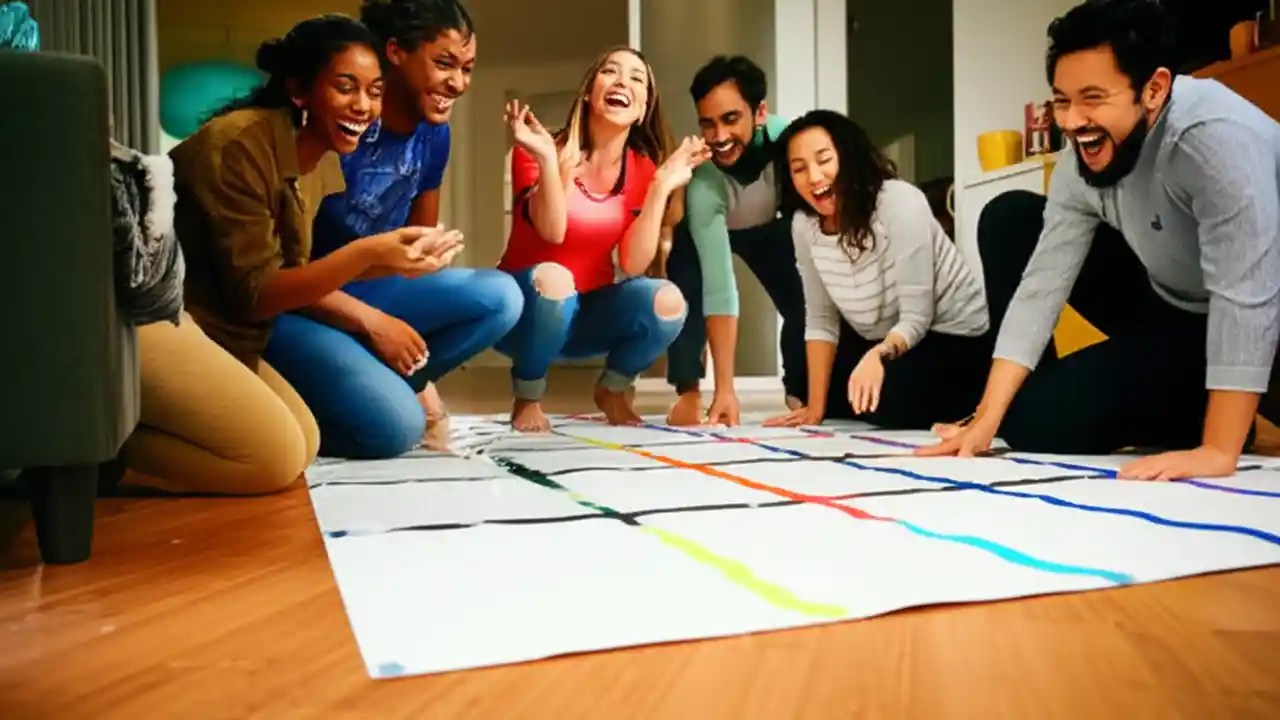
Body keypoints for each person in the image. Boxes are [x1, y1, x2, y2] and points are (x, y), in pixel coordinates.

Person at [918, 0, 1280, 481]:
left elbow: (1247, 293)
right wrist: (986, 417)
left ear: (1153, 90)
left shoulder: (1212, 139)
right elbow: (1042, 285)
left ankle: (1223, 416)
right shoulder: (1079, 160)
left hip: (1266, 307)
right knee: (1028, 420)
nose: (1071, 120)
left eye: (1092, 97)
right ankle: (1194, 406)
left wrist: (1218, 449)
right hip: (1175, 311)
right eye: (1062, 100)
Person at [170, 15, 466, 473]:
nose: (364, 106)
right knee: (288, 455)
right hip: (182, 327)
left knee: (310, 440)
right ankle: (112, 458)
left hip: (246, 332)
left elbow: (298, 268)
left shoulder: (321, 159)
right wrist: (368, 256)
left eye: (374, 91)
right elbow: (256, 294)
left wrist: (400, 262)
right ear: (298, 91)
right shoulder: (238, 145)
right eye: (346, 87)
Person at [280, 0, 523, 456]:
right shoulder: (336, 125)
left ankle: (391, 381)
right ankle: (313, 409)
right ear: (395, 52)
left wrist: (423, 257)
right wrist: (374, 324)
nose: (459, 82)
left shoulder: (436, 132)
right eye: (444, 63)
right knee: (395, 430)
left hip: (371, 286)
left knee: (501, 296)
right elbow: (278, 272)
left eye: (467, 68)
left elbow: (414, 242)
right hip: (301, 300)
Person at [494, 46, 707, 432]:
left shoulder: (641, 169)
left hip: (586, 316)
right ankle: (528, 395)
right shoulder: (538, 150)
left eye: (636, 78)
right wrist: (546, 161)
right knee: (556, 279)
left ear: (643, 108)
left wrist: (660, 186)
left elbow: (633, 264)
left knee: (668, 301)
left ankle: (613, 388)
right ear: (591, 92)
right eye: (610, 71)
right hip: (525, 314)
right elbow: (552, 232)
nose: (622, 81)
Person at [763, 110, 992, 430]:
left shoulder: (899, 201)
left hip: (950, 338)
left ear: (849, 157)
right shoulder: (804, 225)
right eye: (799, 169)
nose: (814, 177)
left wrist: (879, 356)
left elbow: (917, 317)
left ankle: (967, 402)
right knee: (802, 368)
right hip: (880, 336)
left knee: (887, 397)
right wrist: (816, 409)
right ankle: (848, 398)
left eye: (824, 160)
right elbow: (821, 317)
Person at [664, 55, 833, 427]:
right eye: (707, 124)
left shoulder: (787, 141)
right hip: (708, 231)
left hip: (767, 226)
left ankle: (800, 389)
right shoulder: (705, 183)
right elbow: (721, 289)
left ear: (759, 113)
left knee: (804, 293)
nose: (719, 137)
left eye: (730, 119)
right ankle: (688, 391)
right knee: (686, 288)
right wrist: (726, 390)